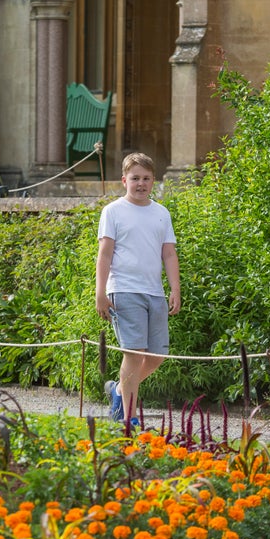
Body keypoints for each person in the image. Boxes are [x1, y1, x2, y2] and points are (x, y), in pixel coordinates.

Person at [96, 153, 180, 424]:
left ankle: (119, 390)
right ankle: (129, 419)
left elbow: (169, 254)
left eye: (146, 178)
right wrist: (100, 293)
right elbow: (105, 254)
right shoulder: (113, 211)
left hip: (154, 292)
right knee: (134, 354)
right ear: (124, 180)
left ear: (154, 181)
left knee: (157, 356)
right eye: (135, 178)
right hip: (123, 290)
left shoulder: (161, 213)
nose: (140, 183)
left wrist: (175, 289)